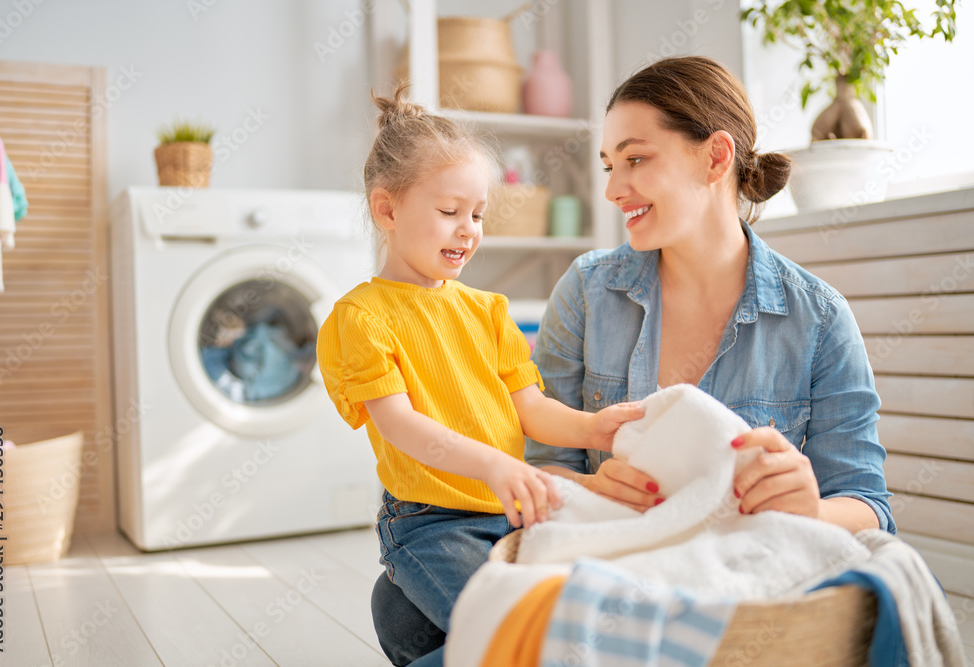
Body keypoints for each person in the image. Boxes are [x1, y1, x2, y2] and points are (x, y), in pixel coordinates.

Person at [372, 55, 897, 665]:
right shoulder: (590, 291)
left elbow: (869, 508)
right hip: (613, 566)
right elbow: (535, 467)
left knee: (429, 626)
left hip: (733, 581)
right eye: (608, 165)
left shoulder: (819, 319)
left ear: (716, 157)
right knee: (400, 604)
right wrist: (594, 486)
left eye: (636, 159)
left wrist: (809, 505)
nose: (613, 188)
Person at [316, 84, 645, 667]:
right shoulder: (360, 317)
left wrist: (596, 430)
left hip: (509, 510)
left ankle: (409, 611)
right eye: (449, 213)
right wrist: (495, 463)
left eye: (477, 214)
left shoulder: (489, 310)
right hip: (430, 522)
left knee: (565, 616)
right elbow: (402, 426)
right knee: (515, 638)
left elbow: (531, 409)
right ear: (387, 210)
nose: (467, 229)